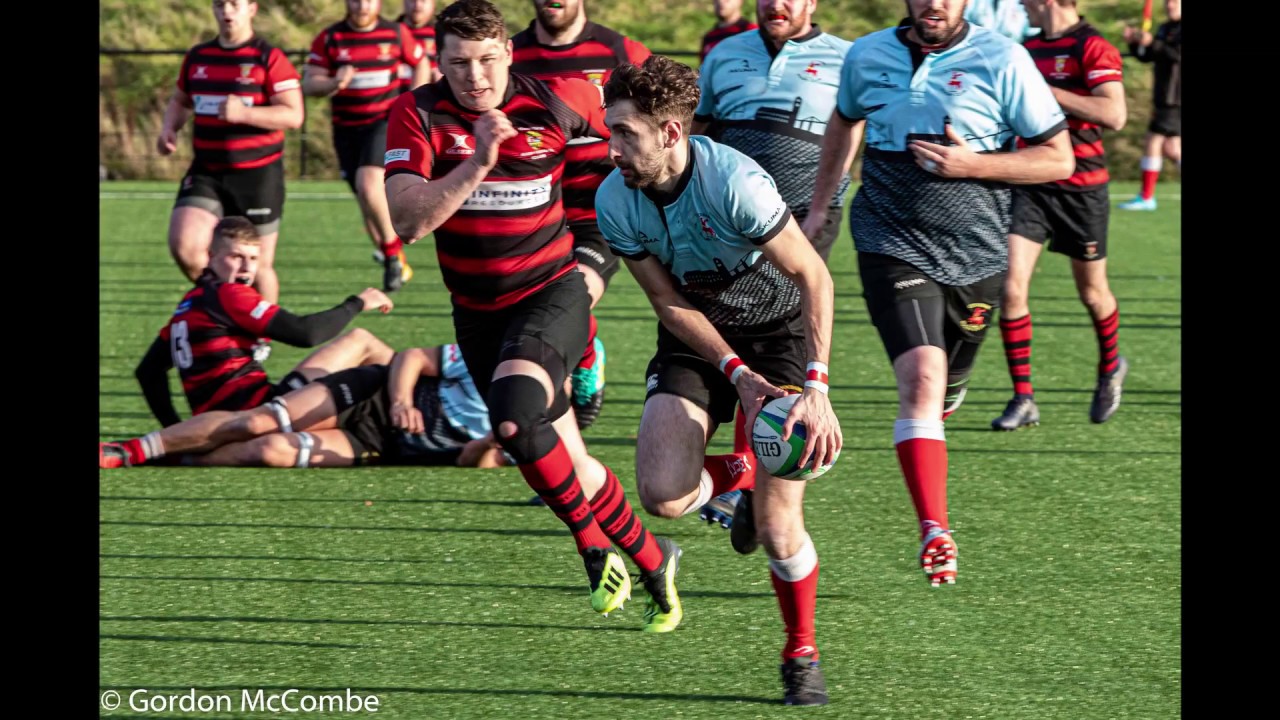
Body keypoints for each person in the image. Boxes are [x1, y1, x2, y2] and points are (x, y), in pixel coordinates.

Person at [382, 0, 682, 632]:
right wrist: (477, 162)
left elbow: (643, 127)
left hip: (552, 291)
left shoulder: (561, 97)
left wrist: (663, 186)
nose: (476, 76)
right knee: (564, 459)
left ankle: (594, 550)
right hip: (479, 315)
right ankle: (655, 559)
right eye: (459, 63)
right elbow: (409, 221)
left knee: (515, 423)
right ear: (438, 61)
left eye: (488, 59)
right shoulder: (416, 113)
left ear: (510, 54)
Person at [596, 56, 842, 706]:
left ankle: (801, 650)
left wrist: (814, 387)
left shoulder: (735, 183)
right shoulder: (614, 197)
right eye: (609, 130)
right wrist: (736, 373)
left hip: (778, 334)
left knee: (779, 525)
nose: (612, 148)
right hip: (699, 337)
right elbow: (665, 301)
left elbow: (813, 277)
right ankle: (734, 475)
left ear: (672, 133)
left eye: (627, 134)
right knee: (662, 498)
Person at [806, 0, 1073, 587]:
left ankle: (950, 393)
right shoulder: (867, 54)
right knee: (923, 378)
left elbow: (1059, 157)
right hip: (887, 236)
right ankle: (935, 529)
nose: (935, 3)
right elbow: (845, 120)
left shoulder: (1004, 58)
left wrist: (975, 164)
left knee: (947, 382)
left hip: (977, 251)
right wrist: (824, 202)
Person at [689, 0, 856, 526]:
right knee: (738, 316)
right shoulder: (724, 53)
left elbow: (861, 126)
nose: (775, 3)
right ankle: (747, 473)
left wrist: (824, 206)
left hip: (805, 215)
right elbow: (704, 134)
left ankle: (755, 471)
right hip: (735, 217)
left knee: (783, 316)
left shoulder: (847, 59)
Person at [110, 216, 396, 467]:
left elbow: (148, 372)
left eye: (253, 259)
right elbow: (304, 333)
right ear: (210, 256)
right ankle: (423, 394)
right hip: (263, 410)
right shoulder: (229, 295)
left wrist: (175, 430)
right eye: (236, 257)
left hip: (212, 424)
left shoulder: (189, 304)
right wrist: (356, 303)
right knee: (361, 341)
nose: (246, 268)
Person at [509, 0, 653, 429]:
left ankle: (580, 365)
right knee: (536, 326)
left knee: (566, 305)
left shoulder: (623, 52)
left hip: (598, 216)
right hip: (531, 217)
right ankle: (565, 459)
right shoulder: (507, 55)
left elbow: (660, 126)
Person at [992, 0, 1129, 430]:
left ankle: (1110, 368)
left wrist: (1046, 91)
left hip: (1083, 190)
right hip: (1032, 183)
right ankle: (1023, 396)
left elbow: (1114, 114)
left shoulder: (1093, 47)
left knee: (1092, 293)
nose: (1018, 6)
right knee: (1010, 288)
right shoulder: (1026, 49)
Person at [102, 343, 511, 470]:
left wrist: (493, 440)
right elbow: (412, 357)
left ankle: (171, 458)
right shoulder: (494, 358)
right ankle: (130, 449)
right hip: (373, 393)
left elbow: (469, 462)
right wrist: (403, 400)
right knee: (259, 422)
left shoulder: (536, 430)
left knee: (269, 450)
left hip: (380, 445)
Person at [155, 0, 303, 305]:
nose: (227, 11)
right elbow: (181, 101)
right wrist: (170, 128)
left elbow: (293, 115)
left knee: (258, 266)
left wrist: (245, 114)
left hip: (258, 175)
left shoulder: (268, 57)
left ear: (252, 9)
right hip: (207, 170)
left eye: (234, 4)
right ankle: (227, 308)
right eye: (220, 4)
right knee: (185, 247)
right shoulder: (198, 56)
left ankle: (260, 338)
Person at [304, 0, 430, 292]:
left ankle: (390, 256)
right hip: (346, 130)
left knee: (369, 182)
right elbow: (310, 84)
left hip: (384, 122)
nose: (362, 5)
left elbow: (420, 61)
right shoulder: (330, 38)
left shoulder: (396, 33)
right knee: (366, 201)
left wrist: (413, 102)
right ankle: (393, 253)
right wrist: (334, 81)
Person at [1118, 0, 1180, 211]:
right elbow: (1150, 56)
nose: (1169, 5)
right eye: (1167, 2)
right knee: (1172, 149)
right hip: (1164, 95)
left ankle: (1146, 197)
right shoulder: (1165, 27)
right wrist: (1135, 43)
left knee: (1153, 140)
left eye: (1174, 2)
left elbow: (1175, 55)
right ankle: (1146, 196)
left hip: (1175, 97)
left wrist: (1153, 42)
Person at [397, 0, 442, 89]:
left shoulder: (443, 35)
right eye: (412, 1)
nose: (417, 5)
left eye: (423, 1)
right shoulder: (388, 33)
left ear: (433, 4)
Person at [963, 0, 1035, 41]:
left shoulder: (1024, 3)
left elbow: (1032, 36)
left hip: (1011, 60)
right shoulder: (974, 2)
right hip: (976, 57)